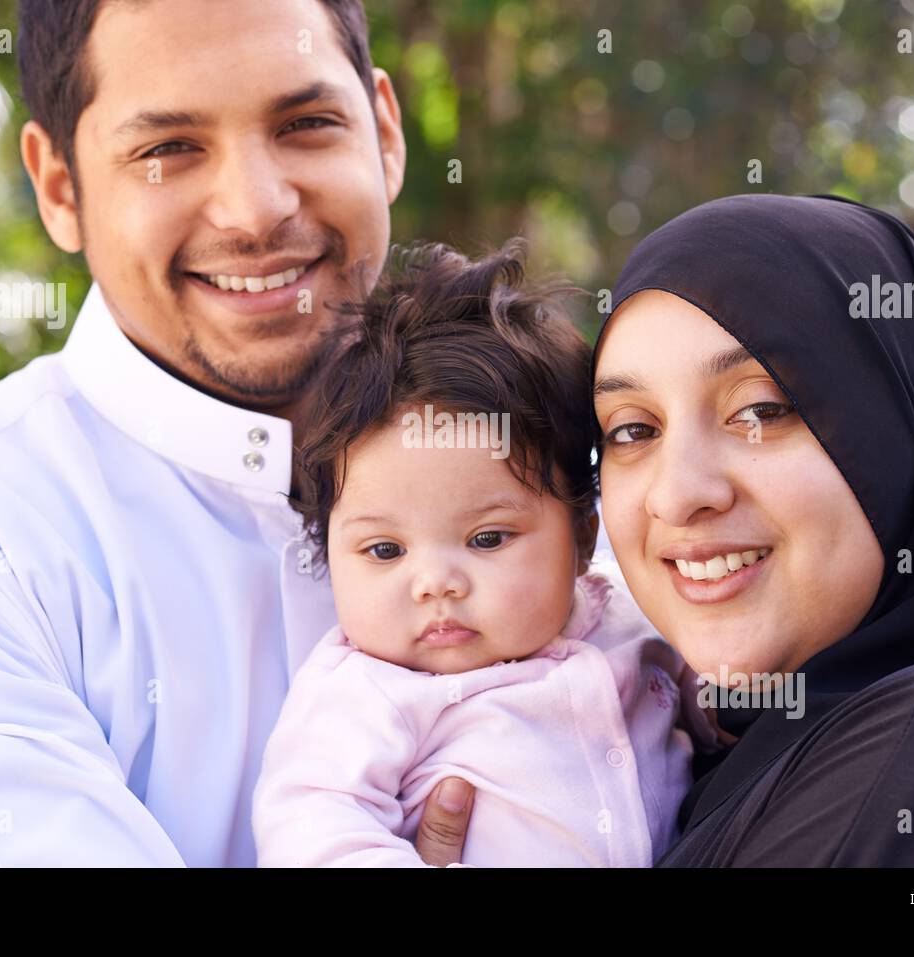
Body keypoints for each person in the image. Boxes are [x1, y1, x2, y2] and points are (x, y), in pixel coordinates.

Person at [0, 0, 479, 866]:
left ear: (384, 132)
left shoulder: (569, 471)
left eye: (306, 123)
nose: (256, 210)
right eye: (168, 149)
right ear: (59, 187)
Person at [591, 193, 914, 866]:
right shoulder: (678, 766)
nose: (679, 494)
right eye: (633, 429)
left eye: (761, 409)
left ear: (897, 433)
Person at [251, 241, 719, 867]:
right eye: (385, 549)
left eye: (487, 539)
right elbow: (312, 829)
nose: (435, 583)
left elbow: (722, 702)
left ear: (583, 535)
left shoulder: (633, 620)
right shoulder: (367, 692)